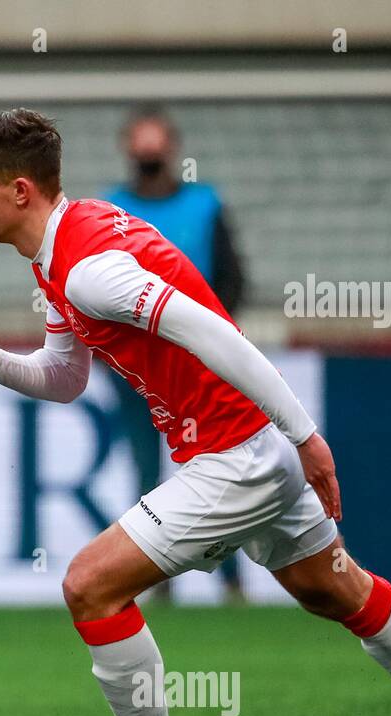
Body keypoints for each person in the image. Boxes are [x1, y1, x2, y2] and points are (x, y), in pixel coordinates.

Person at [0, 108, 391, 716]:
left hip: (235, 457)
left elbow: (216, 333)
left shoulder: (89, 267)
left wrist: (307, 437)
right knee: (333, 587)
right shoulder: (65, 250)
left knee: (90, 585)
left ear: (20, 191)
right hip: (245, 453)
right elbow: (66, 378)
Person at [104, 106, 247, 601]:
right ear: (128, 147)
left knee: (213, 470)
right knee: (146, 474)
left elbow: (232, 278)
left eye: (155, 143)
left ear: (170, 148)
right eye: (140, 143)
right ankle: (157, 580)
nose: (148, 153)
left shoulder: (205, 204)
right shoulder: (111, 208)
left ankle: (230, 580)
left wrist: (212, 339)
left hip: (198, 364)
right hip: (137, 367)